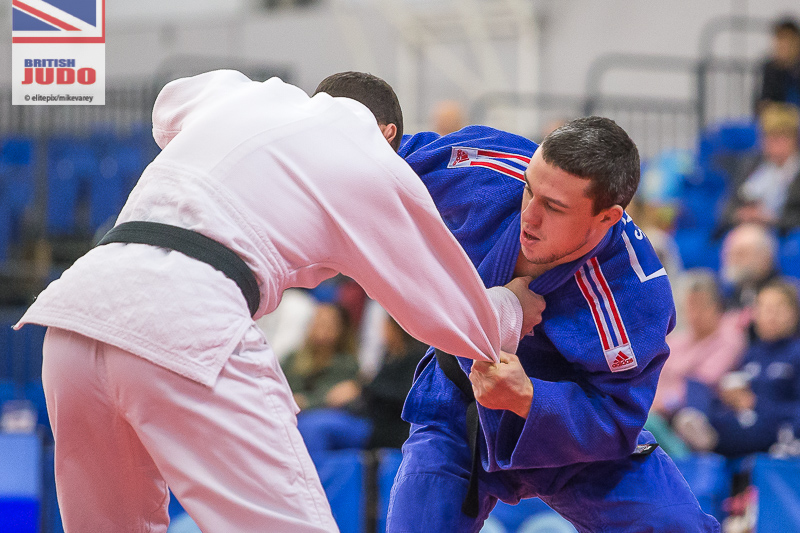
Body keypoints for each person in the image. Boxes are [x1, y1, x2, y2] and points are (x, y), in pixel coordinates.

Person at [14, 70, 543, 532]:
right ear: (389, 134)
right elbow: (448, 310)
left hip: (75, 314)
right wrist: (513, 307)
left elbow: (170, 104)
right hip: (186, 316)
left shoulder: (248, 96)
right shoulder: (369, 157)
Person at [386, 118, 720, 531]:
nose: (529, 215)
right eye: (530, 188)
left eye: (554, 207)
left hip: (574, 446)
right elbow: (377, 153)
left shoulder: (635, 298)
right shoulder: (484, 168)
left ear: (607, 217)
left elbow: (616, 418)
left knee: (677, 525)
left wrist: (528, 397)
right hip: (461, 404)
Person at [673, 279, 800, 457]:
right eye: (764, 309)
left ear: (794, 313)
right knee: (699, 389)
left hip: (777, 429)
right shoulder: (751, 354)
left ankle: (702, 439)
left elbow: (795, 410)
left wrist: (755, 403)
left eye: (778, 309)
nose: (770, 315)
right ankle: (697, 423)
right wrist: (730, 398)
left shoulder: (795, 354)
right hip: (742, 420)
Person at [296, 314, 429, 464]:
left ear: (396, 328)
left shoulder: (416, 358)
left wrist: (362, 388)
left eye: (386, 325)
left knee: (314, 427)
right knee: (307, 421)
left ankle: (316, 480)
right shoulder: (391, 355)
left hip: (383, 427)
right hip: (364, 416)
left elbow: (405, 396)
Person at [651, 269, 747, 418]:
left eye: (701, 306)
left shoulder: (730, 339)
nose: (694, 315)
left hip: (697, 413)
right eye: (690, 307)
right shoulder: (675, 340)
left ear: (717, 306)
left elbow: (704, 381)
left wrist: (664, 403)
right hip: (657, 411)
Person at [718, 102, 800, 235]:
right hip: (747, 231)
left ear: (794, 140)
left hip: (785, 236)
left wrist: (772, 219)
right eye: (770, 137)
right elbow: (726, 208)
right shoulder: (751, 165)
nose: (775, 144)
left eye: (781, 137)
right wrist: (740, 215)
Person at [281, 303, 359, 411]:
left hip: (320, 417)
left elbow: (332, 397)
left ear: (341, 329)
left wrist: (304, 402)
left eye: (327, 324)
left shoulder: (346, 364)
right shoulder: (293, 358)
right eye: (317, 321)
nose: (321, 328)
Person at [719, 222, 781, 311]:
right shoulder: (730, 296)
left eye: (741, 254)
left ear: (765, 257)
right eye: (730, 254)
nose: (734, 260)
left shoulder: (784, 295)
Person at [757, 17, 800, 110]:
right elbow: (763, 102)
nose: (782, 45)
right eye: (779, 40)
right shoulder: (770, 69)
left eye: (787, 40)